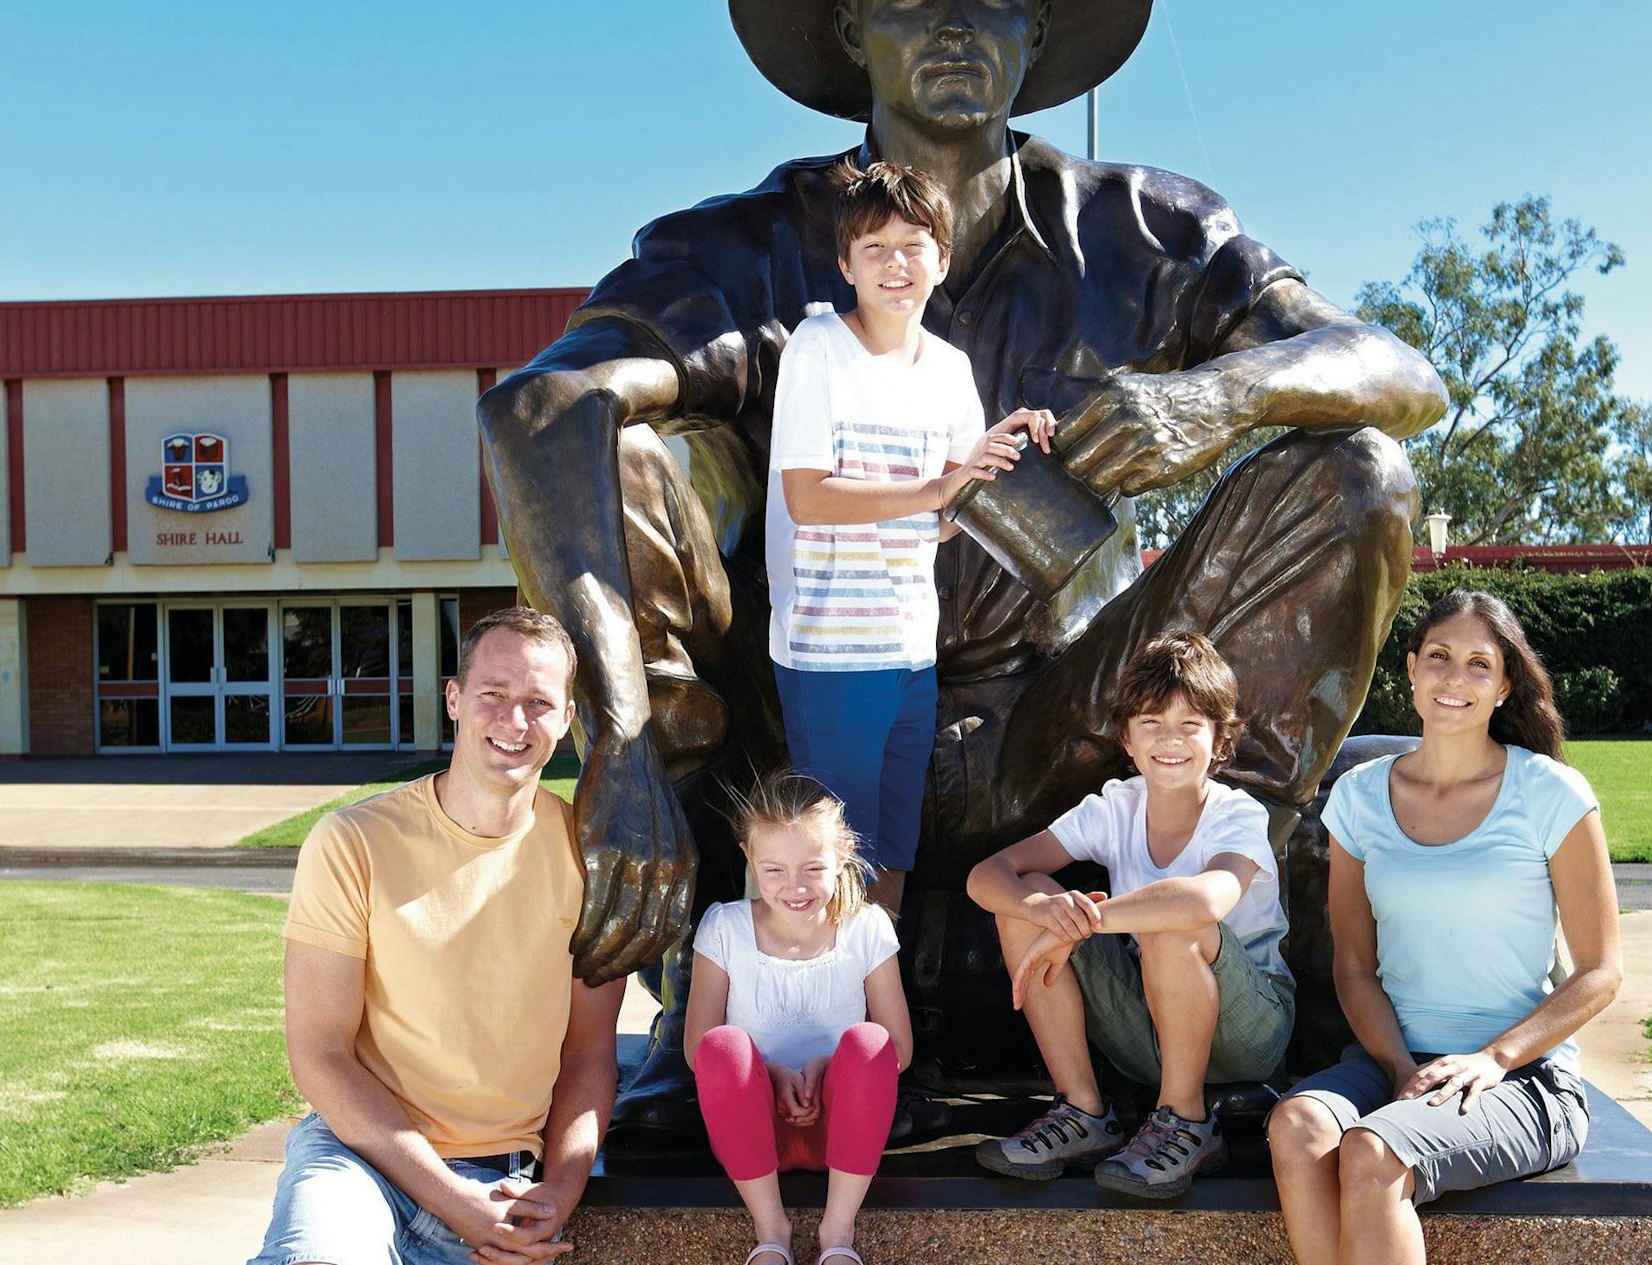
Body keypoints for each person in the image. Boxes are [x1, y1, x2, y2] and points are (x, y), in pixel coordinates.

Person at [477, 1, 1446, 1051]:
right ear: (849, 31)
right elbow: (538, 408)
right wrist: (617, 737)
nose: (950, 27)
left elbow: (1397, 372)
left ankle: (1214, 946)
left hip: (1065, 722)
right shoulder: (743, 248)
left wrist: (1215, 397)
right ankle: (720, 968)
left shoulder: (1143, 230)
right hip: (798, 724)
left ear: (1035, 31)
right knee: (611, 452)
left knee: (1356, 471)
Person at [238, 608, 626, 1265]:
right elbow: (319, 1055)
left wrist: (565, 1183)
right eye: (493, 693)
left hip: (505, 1184)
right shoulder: (356, 841)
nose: (514, 719)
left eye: (539, 701)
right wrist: (443, 1191)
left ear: (567, 721)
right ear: (454, 701)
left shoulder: (589, 857)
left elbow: (589, 1055)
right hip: (364, 1154)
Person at [1259, 590, 1623, 1265]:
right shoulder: (1361, 798)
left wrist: (1493, 1058)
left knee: (1376, 1157)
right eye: (1437, 657)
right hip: (1395, 1059)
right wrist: (1393, 1066)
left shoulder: (1550, 794)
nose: (1453, 678)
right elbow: (1351, 964)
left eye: (1477, 664)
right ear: (1410, 670)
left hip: (1524, 1076)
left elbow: (1601, 974)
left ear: (1506, 685)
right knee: (1298, 1128)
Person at [770, 157, 1053, 917]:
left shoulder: (952, 369)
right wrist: (936, 488)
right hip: (831, 650)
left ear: (943, 258)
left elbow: (950, 513)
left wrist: (1005, 447)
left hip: (909, 648)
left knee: (891, 851)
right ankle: (826, 1024)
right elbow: (807, 498)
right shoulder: (817, 347)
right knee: (828, 861)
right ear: (845, 265)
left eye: (914, 244)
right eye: (875, 248)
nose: (896, 263)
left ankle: (875, 1023)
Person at [966, 632, 1294, 1198]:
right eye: (1151, 723)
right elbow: (986, 875)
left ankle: (1187, 1122)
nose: (1170, 740)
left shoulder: (1237, 813)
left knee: (1173, 921)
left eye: (1191, 724)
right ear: (1127, 738)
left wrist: (1086, 922)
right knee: (1030, 903)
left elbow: (1205, 901)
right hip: (1150, 1033)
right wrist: (1043, 909)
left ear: (1219, 740)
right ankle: (1084, 1111)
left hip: (1249, 1030)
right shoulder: (1116, 805)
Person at [682, 770, 913, 1265]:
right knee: (723, 1048)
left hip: (843, 1129)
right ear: (747, 857)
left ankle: (837, 1238)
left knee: (870, 1042)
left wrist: (827, 1068)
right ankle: (771, 1235)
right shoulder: (724, 928)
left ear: (843, 857)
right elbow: (697, 1047)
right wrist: (774, 1074)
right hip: (754, 1128)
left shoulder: (867, 926)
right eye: (774, 870)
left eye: (814, 869)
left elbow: (898, 1048)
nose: (795, 887)